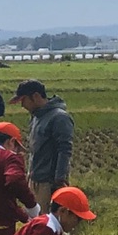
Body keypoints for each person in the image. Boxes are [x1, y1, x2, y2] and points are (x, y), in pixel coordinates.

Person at [15, 79, 75, 211]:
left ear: (35, 96)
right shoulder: (36, 117)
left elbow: (64, 150)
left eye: (24, 100)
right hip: (35, 178)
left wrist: (59, 181)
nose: (22, 105)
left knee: (47, 222)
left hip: (48, 182)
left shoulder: (59, 117)